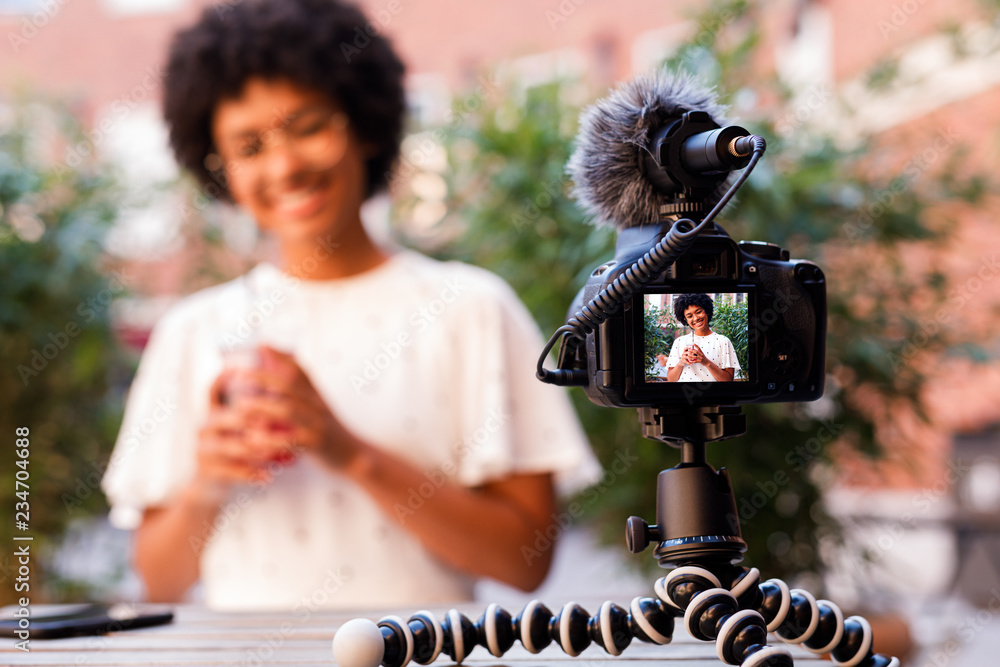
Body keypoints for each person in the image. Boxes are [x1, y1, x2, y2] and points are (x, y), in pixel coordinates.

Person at [101, 0, 599, 611]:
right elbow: (158, 583)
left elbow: (527, 562)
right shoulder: (190, 333)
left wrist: (348, 451)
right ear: (221, 170)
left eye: (308, 127)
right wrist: (208, 482)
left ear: (363, 124)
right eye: (249, 145)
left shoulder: (470, 309)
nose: (284, 166)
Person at [661, 293, 740, 382]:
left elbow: (728, 380)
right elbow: (671, 380)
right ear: (685, 320)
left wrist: (706, 362)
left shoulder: (723, 341)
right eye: (689, 316)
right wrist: (681, 363)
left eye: (698, 312)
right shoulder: (679, 342)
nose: (695, 318)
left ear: (707, 311)